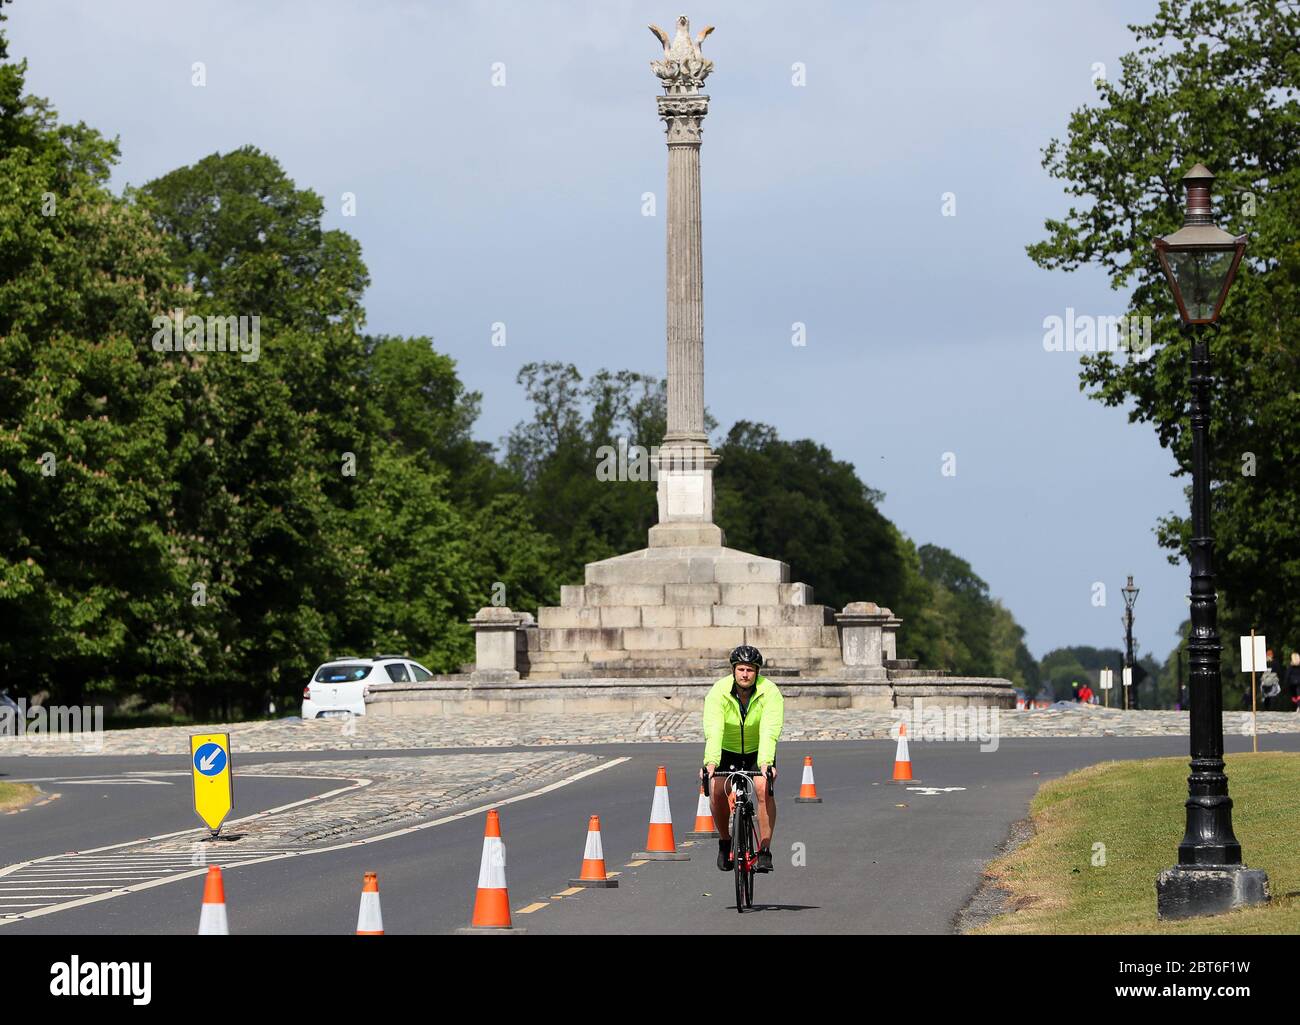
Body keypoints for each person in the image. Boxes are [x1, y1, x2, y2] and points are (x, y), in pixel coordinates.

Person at [702, 645, 784, 874]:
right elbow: (714, 728)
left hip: (758, 750)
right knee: (717, 789)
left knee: (762, 787)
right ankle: (725, 841)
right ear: (733, 670)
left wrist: (766, 762)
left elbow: (770, 729)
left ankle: (765, 849)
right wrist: (710, 762)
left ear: (757, 672)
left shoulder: (770, 692)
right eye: (741, 669)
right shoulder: (718, 692)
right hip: (726, 748)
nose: (745, 674)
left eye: (750, 669)